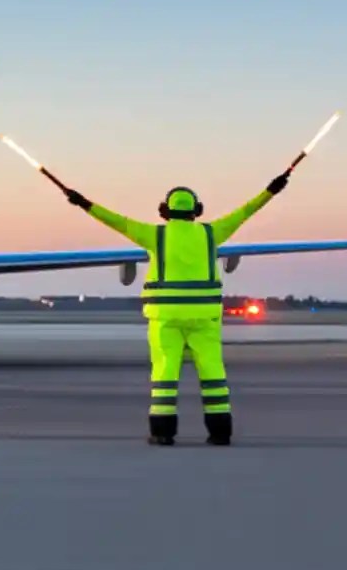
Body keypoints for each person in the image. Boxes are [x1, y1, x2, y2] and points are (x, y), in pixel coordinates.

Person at [63, 171, 290, 446]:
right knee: (213, 373)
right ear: (197, 210)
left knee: (165, 374)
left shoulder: (153, 235)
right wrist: (272, 190)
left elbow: (115, 221)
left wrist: (82, 202)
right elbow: (246, 211)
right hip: (205, 318)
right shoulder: (211, 233)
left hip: (166, 318)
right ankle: (220, 432)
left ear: (165, 210)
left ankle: (163, 432)